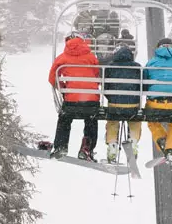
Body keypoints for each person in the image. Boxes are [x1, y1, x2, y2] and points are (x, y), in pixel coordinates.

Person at [47, 31, 101, 160]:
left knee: (64, 119)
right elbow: (97, 75)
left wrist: (64, 88)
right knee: (91, 120)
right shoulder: (91, 57)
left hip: (71, 100)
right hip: (91, 99)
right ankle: (86, 148)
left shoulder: (62, 57)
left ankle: (61, 147)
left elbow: (52, 78)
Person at [101, 29, 143, 165]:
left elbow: (105, 88)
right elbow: (142, 87)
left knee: (113, 121)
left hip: (115, 105)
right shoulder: (138, 68)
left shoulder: (109, 67)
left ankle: (112, 145)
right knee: (134, 120)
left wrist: (113, 99)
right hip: (132, 106)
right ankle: (134, 141)